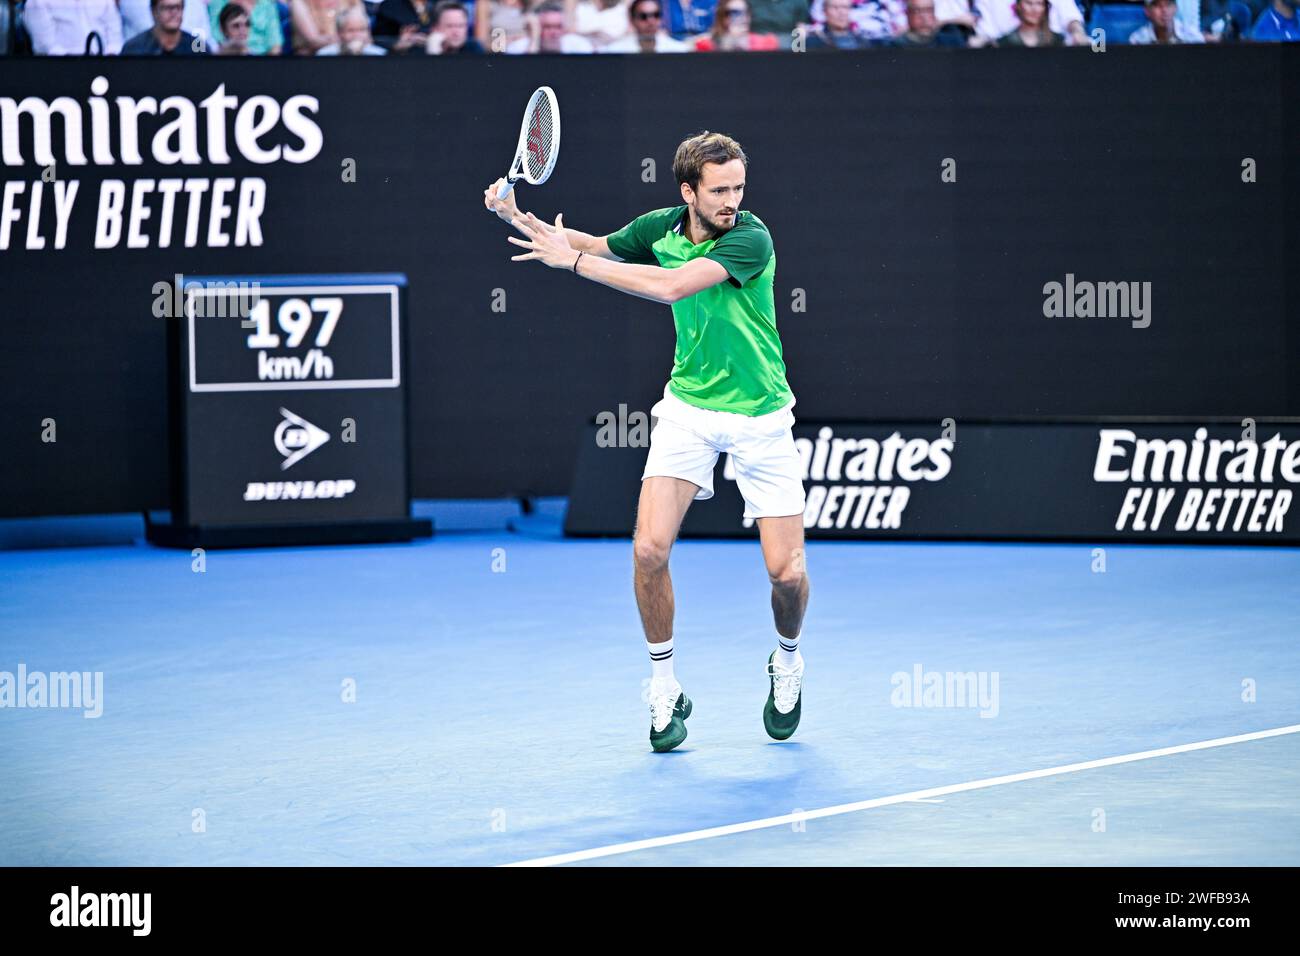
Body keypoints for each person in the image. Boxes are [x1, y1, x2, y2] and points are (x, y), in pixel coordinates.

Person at [484, 131, 810, 753]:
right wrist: (516, 215)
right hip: (688, 408)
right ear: (688, 191)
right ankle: (664, 687)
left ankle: (787, 661)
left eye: (739, 187)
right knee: (648, 552)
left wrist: (572, 265)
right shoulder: (661, 225)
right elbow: (588, 243)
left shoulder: (750, 237)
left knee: (786, 573)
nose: (732, 200)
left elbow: (670, 286)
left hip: (763, 416)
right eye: (719, 191)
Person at [24, 0, 124, 55]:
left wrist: (110, 56)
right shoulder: (37, 2)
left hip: (105, 66)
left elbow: (115, 36)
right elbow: (45, 47)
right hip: (62, 70)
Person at [122, 0, 208, 53]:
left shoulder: (197, 47)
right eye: (168, 8)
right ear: (154, 11)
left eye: (178, 7)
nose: (174, 13)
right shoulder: (134, 48)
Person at [507, 0, 597, 50]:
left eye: (558, 27)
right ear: (538, 28)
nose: (554, 33)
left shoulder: (578, 45)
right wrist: (533, 43)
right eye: (547, 27)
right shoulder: (519, 47)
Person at [603, 0, 690, 48]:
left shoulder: (677, 49)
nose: (651, 22)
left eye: (656, 15)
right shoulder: (616, 50)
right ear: (632, 19)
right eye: (643, 16)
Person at [694, 0, 782, 46]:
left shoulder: (766, 42)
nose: (742, 18)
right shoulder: (708, 44)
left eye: (745, 12)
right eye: (735, 13)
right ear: (724, 17)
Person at [210, 0, 284, 54]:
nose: (243, 30)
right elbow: (215, 39)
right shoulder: (218, 2)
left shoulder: (267, 5)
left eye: (247, 24)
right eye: (236, 26)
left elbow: (275, 46)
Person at [806, 0, 880, 45]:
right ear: (824, 11)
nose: (841, 12)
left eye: (845, 7)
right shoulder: (813, 42)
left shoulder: (863, 42)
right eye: (835, 7)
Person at [318, 4, 389, 51]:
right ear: (339, 33)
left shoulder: (379, 55)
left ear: (369, 31)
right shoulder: (325, 56)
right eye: (350, 30)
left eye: (361, 30)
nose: (356, 35)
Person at [1129, 0, 1206, 40]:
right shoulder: (1137, 39)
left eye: (1168, 4)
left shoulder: (1193, 37)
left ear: (1175, 8)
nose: (1164, 10)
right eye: (1157, 5)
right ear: (1147, 11)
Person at [994, 0, 1063, 43]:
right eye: (1029, 3)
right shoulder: (1005, 42)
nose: (1034, 9)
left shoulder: (1057, 41)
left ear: (1045, 8)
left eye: (1039, 3)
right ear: (1018, 6)